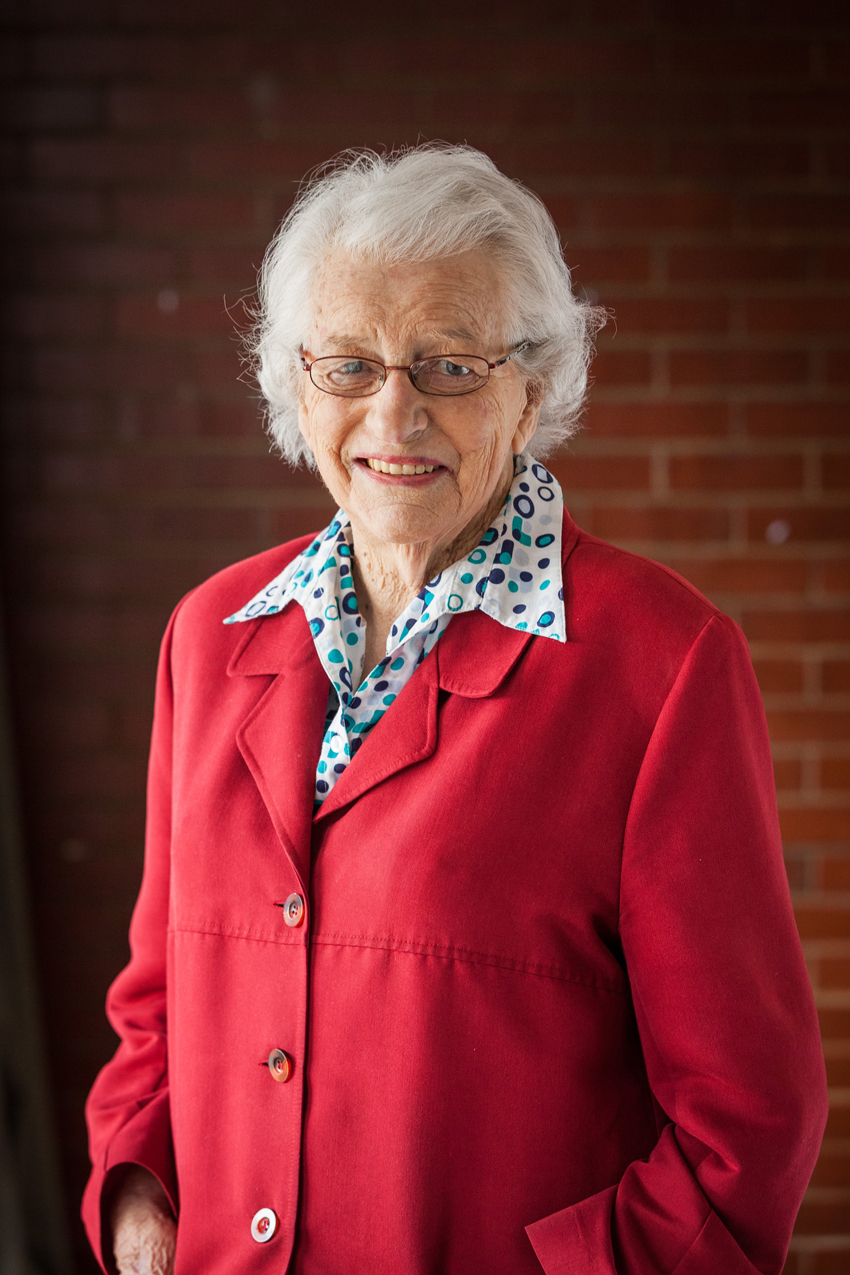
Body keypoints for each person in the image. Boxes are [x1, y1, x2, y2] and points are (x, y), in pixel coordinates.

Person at [84, 145, 827, 1275]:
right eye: (350, 366)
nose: (396, 411)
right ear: (296, 385)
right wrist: (140, 1204)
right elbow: (154, 1011)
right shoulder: (208, 633)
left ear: (530, 390)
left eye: (448, 364)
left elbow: (748, 1122)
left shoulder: (665, 664)